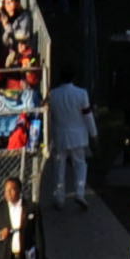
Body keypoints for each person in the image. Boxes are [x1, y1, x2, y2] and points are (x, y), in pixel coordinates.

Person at [48, 78, 95, 211]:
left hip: (59, 136)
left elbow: (50, 117)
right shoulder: (81, 93)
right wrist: (94, 133)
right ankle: (80, 193)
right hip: (78, 136)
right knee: (80, 164)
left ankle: (59, 198)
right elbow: (88, 115)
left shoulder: (53, 94)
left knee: (59, 167)